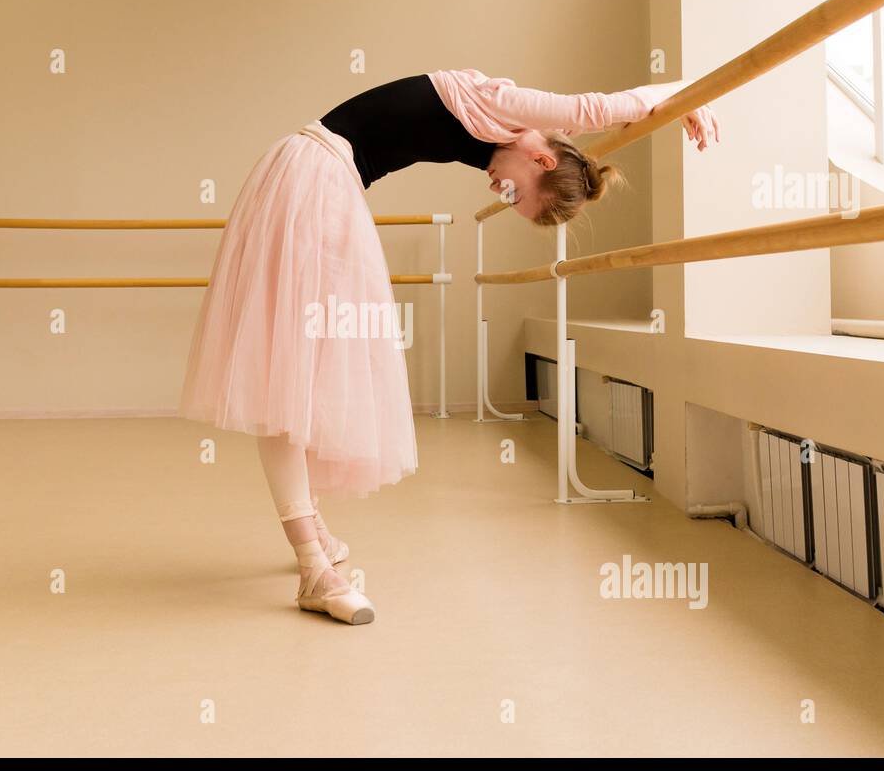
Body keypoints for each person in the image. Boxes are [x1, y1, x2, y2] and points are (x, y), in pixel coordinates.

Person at [178, 68, 720, 625]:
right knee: (293, 362)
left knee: (299, 360)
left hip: (312, 176)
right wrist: (681, 96)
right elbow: (592, 108)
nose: (498, 192)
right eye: (516, 193)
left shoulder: (488, 134)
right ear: (541, 160)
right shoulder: (501, 106)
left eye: (509, 202)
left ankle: (311, 536)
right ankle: (313, 568)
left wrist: (670, 105)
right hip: (313, 179)